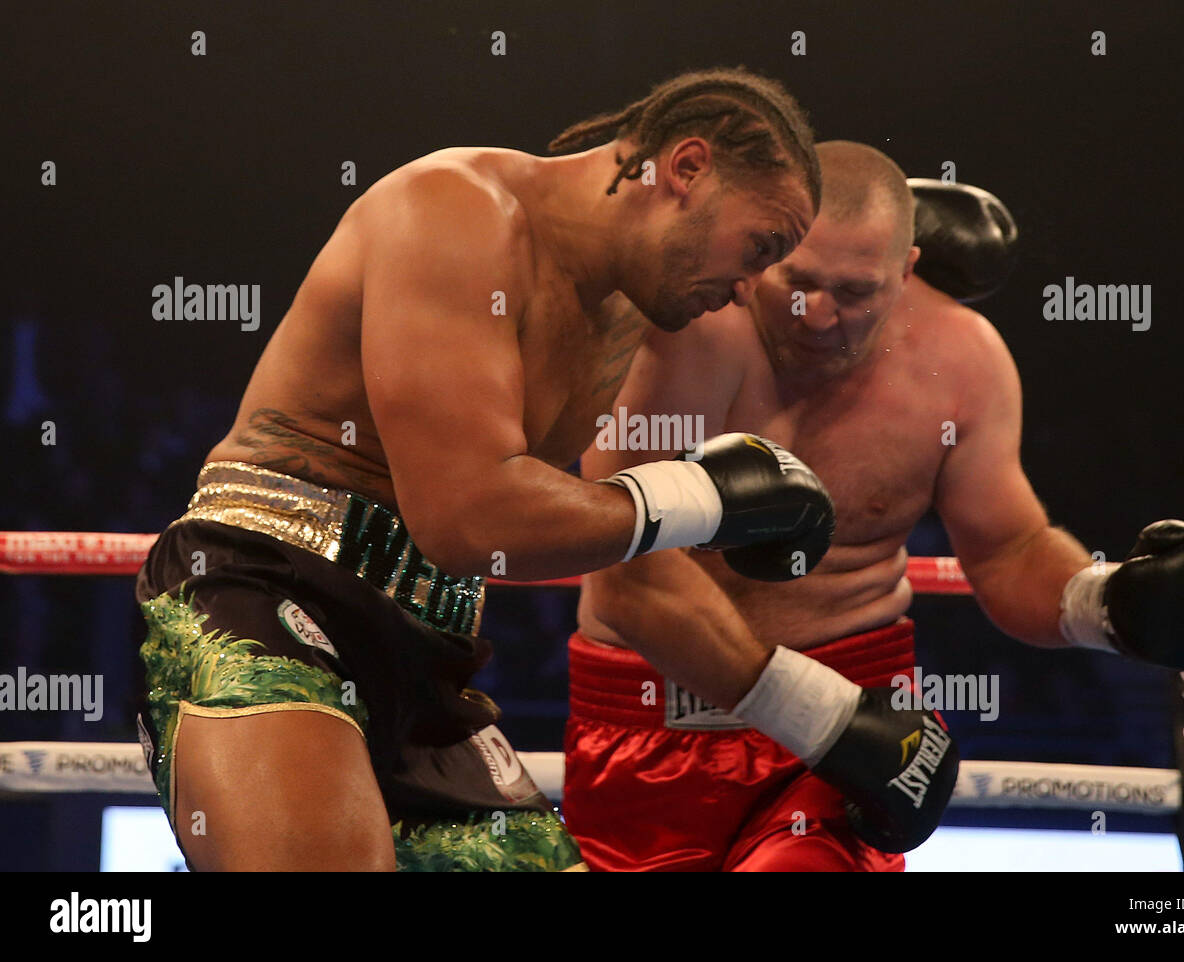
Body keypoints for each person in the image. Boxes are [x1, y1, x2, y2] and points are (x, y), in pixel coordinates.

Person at [133, 67, 834, 871]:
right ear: (686, 169)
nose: (752, 287)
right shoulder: (456, 210)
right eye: (762, 248)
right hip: (266, 596)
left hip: (426, 650)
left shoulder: (631, 310)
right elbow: (470, 515)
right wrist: (706, 498)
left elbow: (584, 522)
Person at [568, 140, 1184, 871]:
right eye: (798, 281)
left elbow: (1007, 548)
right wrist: (819, 717)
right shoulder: (682, 333)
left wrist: (1103, 604)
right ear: (765, 247)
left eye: (855, 293)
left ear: (906, 270)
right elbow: (629, 576)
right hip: (650, 721)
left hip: (851, 728)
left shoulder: (962, 357)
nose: (819, 316)